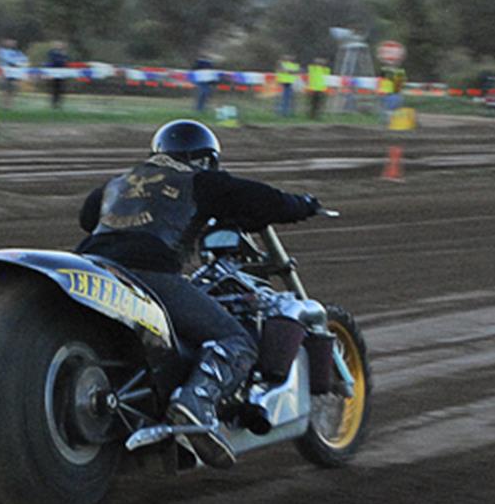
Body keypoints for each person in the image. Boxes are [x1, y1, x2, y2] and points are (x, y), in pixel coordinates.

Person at [76, 119, 321, 467]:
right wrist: (303, 204)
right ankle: (194, 404)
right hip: (149, 273)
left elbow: (87, 217)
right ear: (205, 158)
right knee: (236, 339)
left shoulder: (118, 183)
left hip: (94, 269)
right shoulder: (200, 181)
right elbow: (263, 199)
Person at [0, 38, 28, 108]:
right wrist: (16, 62)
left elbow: (24, 59)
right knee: (5, 89)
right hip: (5, 73)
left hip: (15, 74)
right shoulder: (2, 51)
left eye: (13, 42)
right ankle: (3, 105)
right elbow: (6, 59)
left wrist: (19, 63)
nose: (11, 43)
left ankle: (10, 105)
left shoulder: (18, 52)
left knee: (13, 89)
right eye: (9, 41)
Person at [46, 40, 69, 108]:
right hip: (54, 72)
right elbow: (55, 61)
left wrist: (63, 58)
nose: (59, 46)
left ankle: (59, 103)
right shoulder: (52, 52)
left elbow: (66, 62)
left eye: (60, 45)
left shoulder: (64, 53)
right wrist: (62, 58)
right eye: (57, 45)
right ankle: (53, 103)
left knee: (61, 88)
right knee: (54, 88)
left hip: (62, 73)